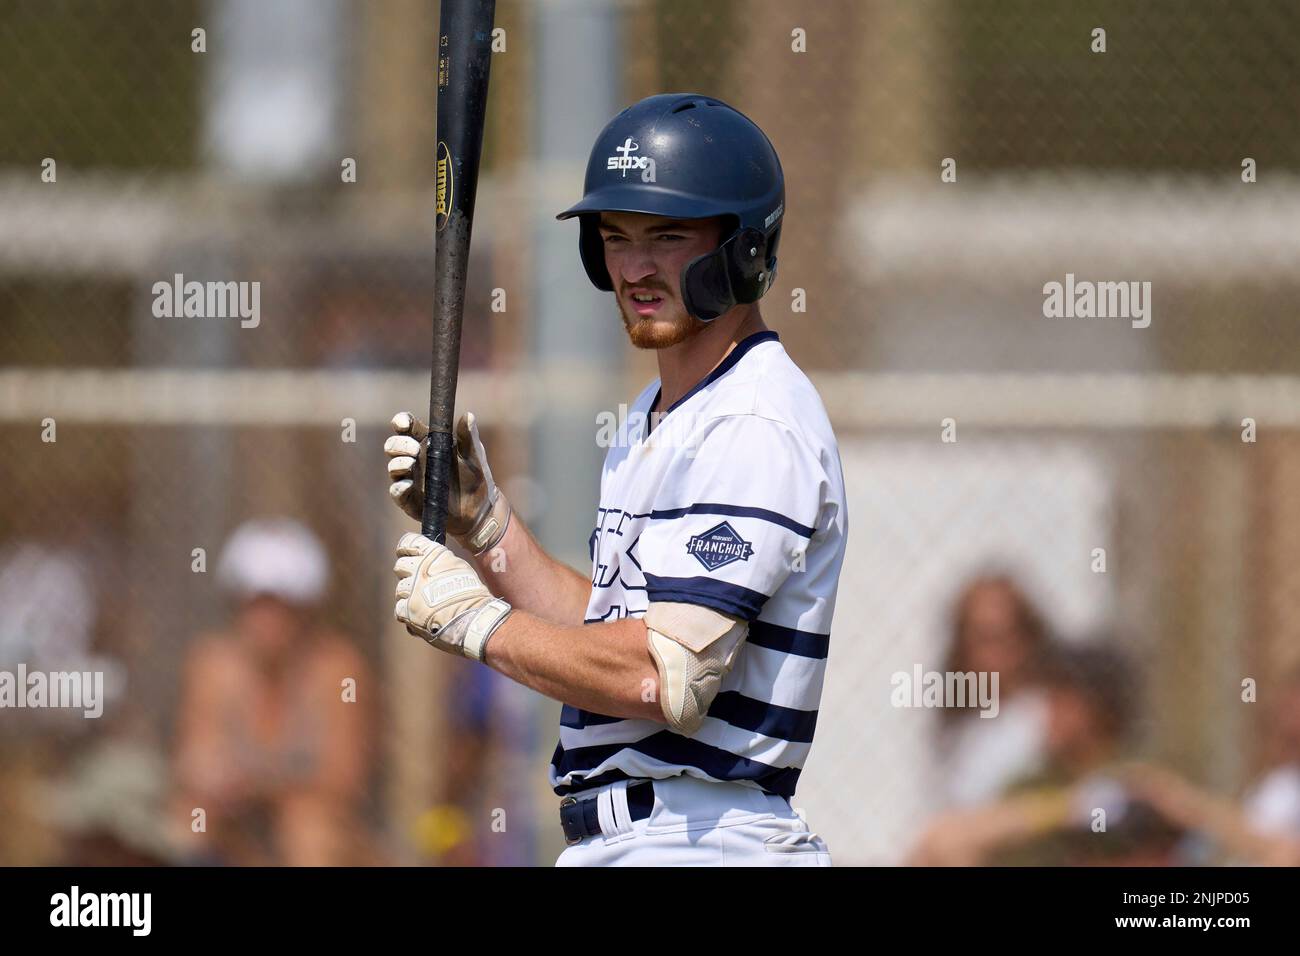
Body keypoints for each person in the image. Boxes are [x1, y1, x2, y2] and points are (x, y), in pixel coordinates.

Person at [383, 93, 848, 865]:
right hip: (648, 840)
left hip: (702, 840)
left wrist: (478, 625)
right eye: (617, 237)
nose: (635, 266)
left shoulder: (753, 422)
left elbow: (667, 675)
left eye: (667, 236)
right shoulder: (657, 415)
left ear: (744, 248)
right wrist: (488, 529)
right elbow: (609, 628)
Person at [172, 518, 374, 865]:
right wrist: (217, 781)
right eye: (256, 604)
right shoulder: (212, 665)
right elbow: (193, 761)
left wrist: (256, 782)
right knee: (186, 822)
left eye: (281, 605)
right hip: (232, 821)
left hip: (304, 819)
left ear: (305, 610)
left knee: (309, 830)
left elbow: (344, 775)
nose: (266, 620)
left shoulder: (337, 669)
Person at [936, 575, 1052, 808]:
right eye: (974, 638)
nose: (986, 655)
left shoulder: (1048, 722)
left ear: (1026, 640)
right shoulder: (959, 727)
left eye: (996, 638)